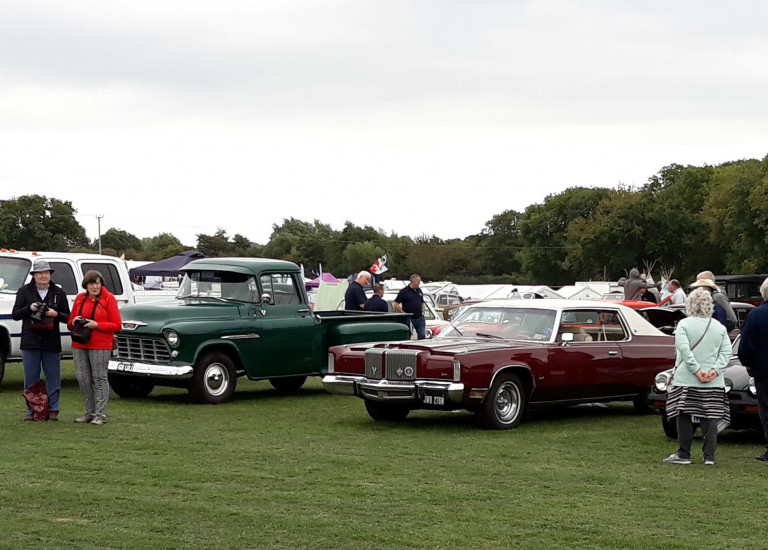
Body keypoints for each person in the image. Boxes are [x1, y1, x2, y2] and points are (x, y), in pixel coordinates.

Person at [663, 288, 732, 465]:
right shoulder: (720, 327)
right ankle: (709, 456)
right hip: (713, 380)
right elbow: (726, 352)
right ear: (710, 305)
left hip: (687, 378)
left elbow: (684, 350)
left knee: (684, 414)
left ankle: (684, 454)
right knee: (710, 416)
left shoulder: (684, 325)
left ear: (690, 304)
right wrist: (714, 370)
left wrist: (695, 370)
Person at [11, 260, 71, 421]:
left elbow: (68, 317)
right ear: (34, 275)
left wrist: (55, 314)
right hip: (30, 340)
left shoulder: (58, 293)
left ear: (50, 274)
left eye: (46, 273)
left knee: (53, 377)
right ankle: (32, 411)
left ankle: (53, 410)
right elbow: (15, 314)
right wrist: (29, 309)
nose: (44, 276)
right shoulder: (24, 291)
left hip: (51, 340)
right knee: (31, 377)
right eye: (40, 273)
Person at [68, 270, 122, 425]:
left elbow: (117, 325)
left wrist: (97, 325)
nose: (94, 286)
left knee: (99, 377)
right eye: (91, 283)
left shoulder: (108, 299)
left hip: (100, 343)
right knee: (83, 378)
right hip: (80, 342)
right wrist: (75, 321)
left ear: (101, 283)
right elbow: (70, 322)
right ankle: (89, 412)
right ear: (86, 285)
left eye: (97, 283)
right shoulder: (80, 298)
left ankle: (101, 414)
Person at [737, 277, 768, 461]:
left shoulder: (756, 315)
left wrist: (747, 361)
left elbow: (746, 344)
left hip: (764, 370)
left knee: (766, 409)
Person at [394, 274, 426, 339]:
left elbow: (422, 302)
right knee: (408, 335)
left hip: (419, 317)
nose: (419, 283)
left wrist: (423, 310)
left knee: (422, 335)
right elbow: (396, 304)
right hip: (409, 318)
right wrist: (404, 314)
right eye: (418, 282)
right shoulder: (404, 291)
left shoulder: (419, 291)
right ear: (413, 281)